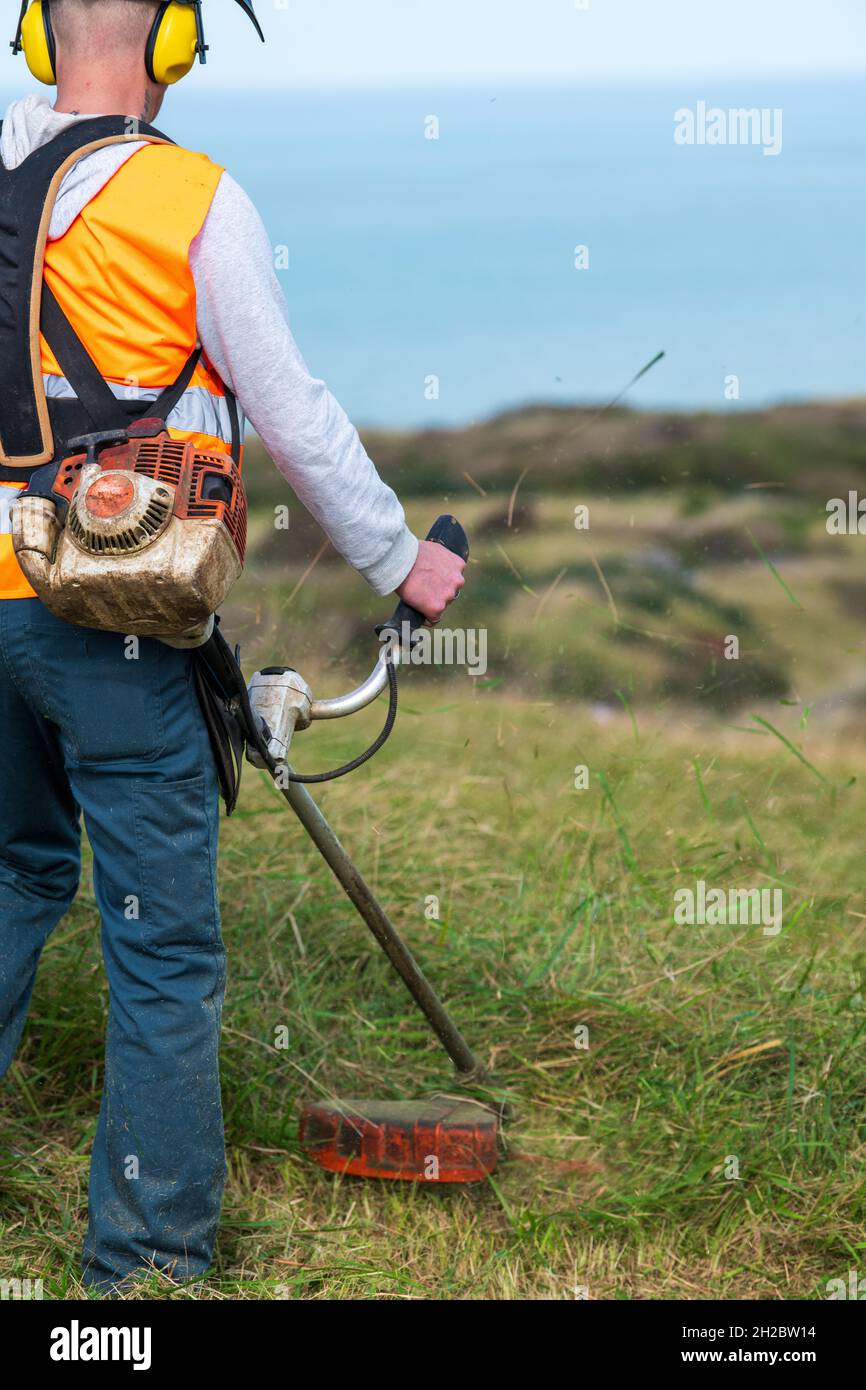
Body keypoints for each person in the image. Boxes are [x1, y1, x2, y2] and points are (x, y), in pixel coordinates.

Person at [0, 0, 465, 1293]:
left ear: (36, 39)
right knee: (162, 948)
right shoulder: (195, 202)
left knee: (13, 872)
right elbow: (295, 418)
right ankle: (141, 1280)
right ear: (176, 44)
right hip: (113, 625)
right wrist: (398, 560)